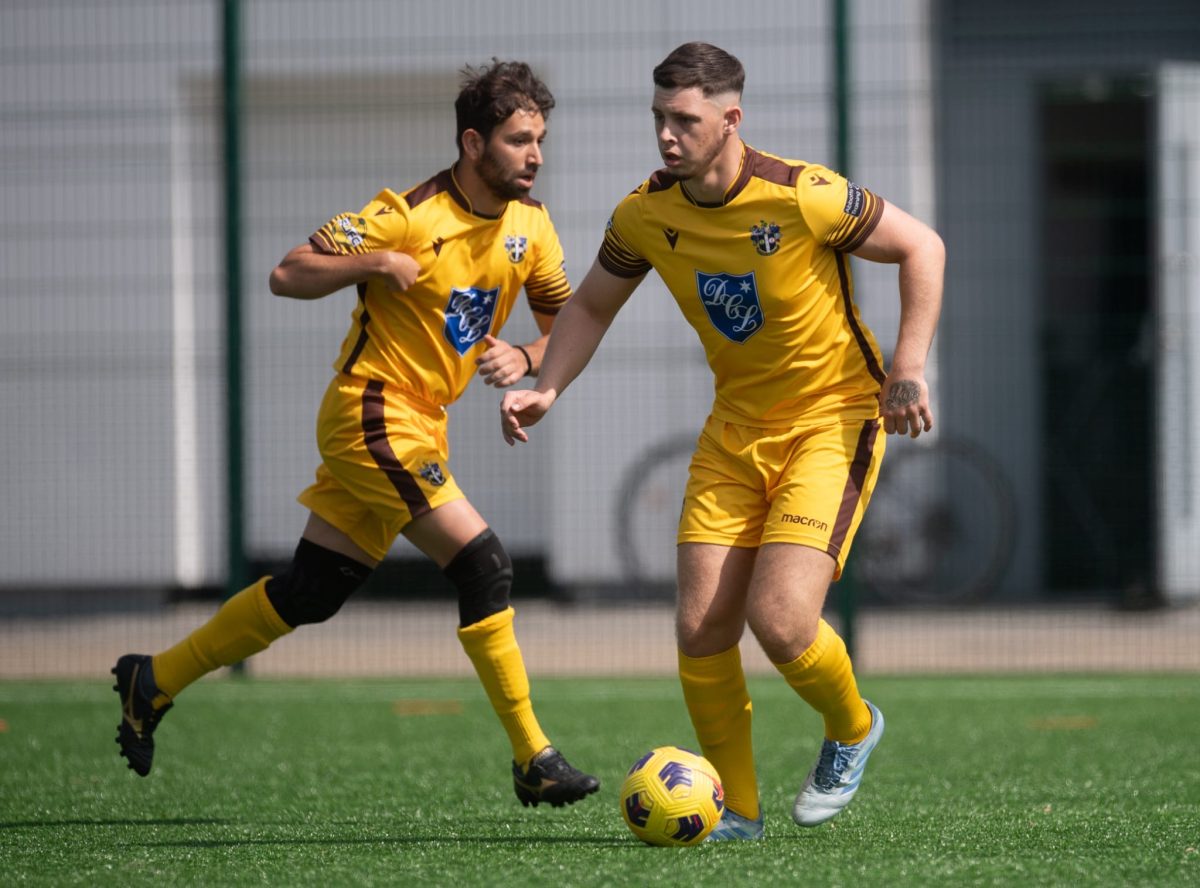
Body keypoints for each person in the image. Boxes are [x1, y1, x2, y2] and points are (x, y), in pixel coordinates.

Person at [113, 60, 599, 809]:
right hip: (371, 411)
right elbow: (288, 271)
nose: (535, 155)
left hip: (421, 425)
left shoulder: (530, 226)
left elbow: (562, 325)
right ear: (473, 143)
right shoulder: (406, 214)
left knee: (313, 590)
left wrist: (528, 359)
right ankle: (533, 756)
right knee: (485, 566)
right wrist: (373, 261)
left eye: (540, 139)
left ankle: (154, 679)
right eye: (518, 139)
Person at [500, 42, 944, 839]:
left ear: (731, 119)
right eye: (658, 118)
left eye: (685, 119)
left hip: (831, 419)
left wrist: (907, 366)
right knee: (702, 627)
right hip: (735, 428)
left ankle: (851, 728)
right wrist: (548, 383)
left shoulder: (804, 195)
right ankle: (739, 809)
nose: (667, 136)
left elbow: (923, 246)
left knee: (781, 622)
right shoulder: (644, 212)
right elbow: (593, 305)